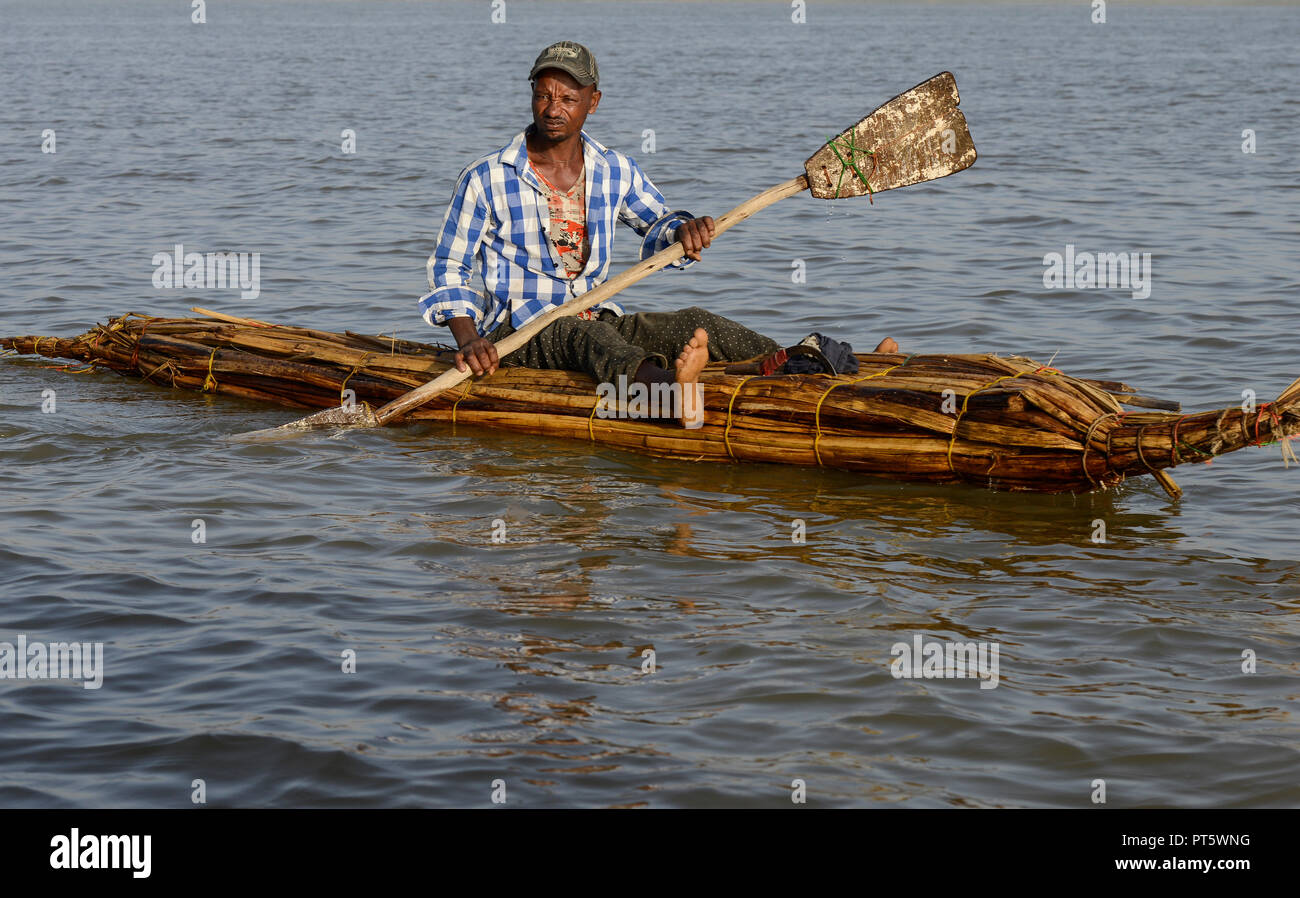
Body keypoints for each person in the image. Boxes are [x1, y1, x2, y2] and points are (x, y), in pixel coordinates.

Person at [419, 41, 896, 426]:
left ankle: (808, 365)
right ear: (531, 96)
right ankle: (671, 396)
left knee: (694, 320)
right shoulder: (487, 176)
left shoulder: (614, 170)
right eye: (543, 95)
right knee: (587, 340)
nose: (553, 109)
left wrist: (685, 231)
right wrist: (468, 340)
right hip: (520, 331)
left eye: (568, 98)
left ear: (593, 103)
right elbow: (448, 267)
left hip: (595, 314)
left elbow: (659, 225)